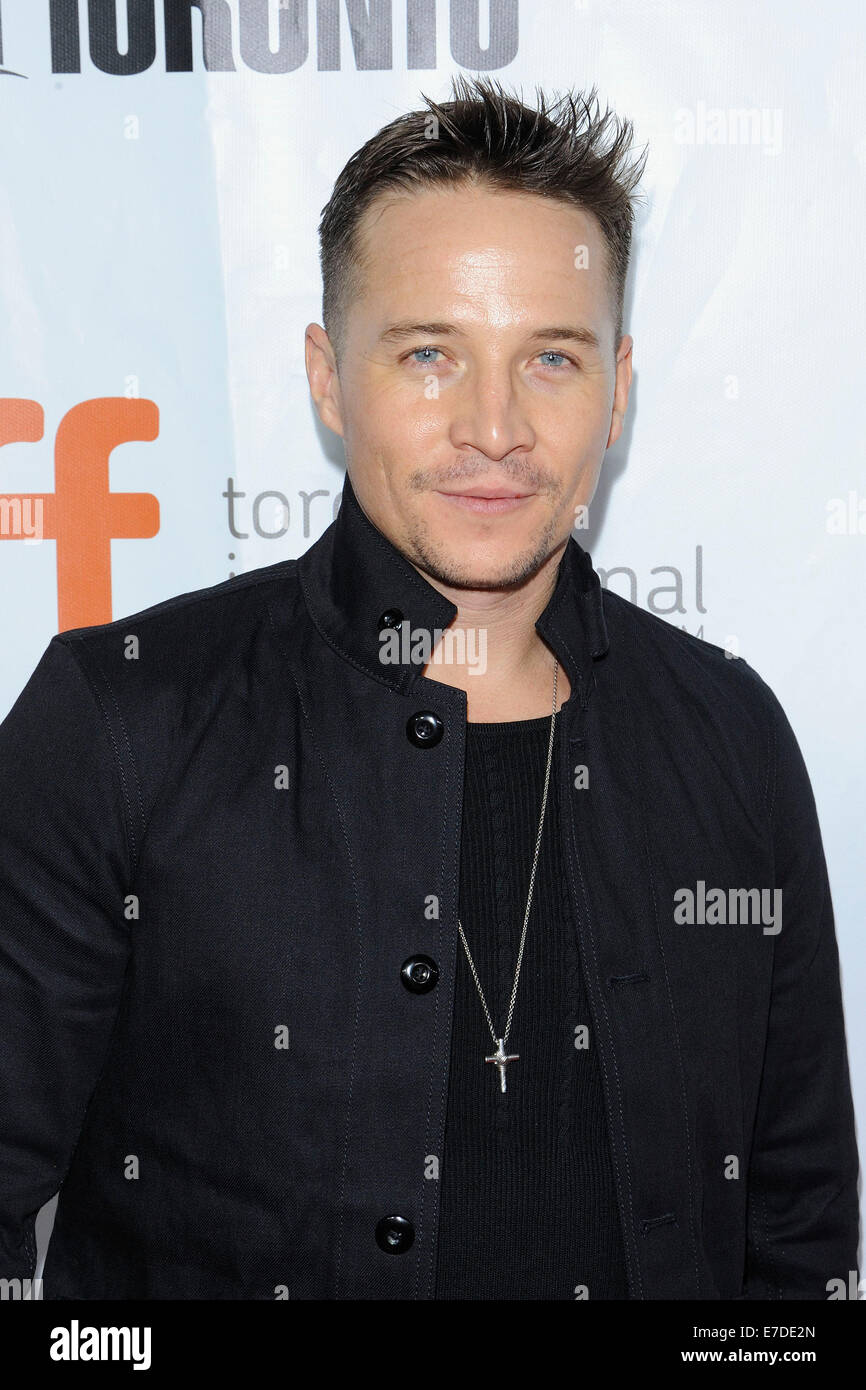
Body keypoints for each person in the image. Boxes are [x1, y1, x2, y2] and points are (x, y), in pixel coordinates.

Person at [0, 74, 858, 1301]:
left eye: (548, 357)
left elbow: (798, 1227)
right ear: (326, 377)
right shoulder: (121, 721)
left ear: (616, 389)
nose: (494, 427)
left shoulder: (728, 737)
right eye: (428, 354)